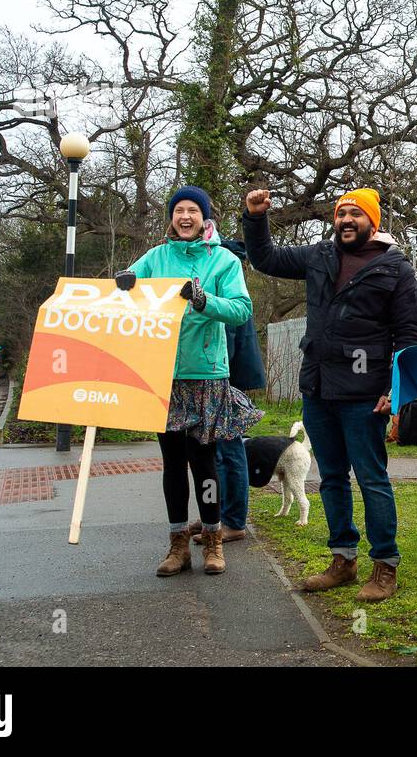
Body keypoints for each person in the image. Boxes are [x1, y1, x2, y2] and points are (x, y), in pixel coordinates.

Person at [242, 185, 417, 602]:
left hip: (365, 394)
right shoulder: (320, 256)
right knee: (332, 479)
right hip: (319, 388)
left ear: (372, 222)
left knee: (372, 479)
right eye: (341, 214)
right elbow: (266, 257)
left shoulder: (395, 269)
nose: (346, 220)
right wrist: (255, 218)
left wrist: (393, 389)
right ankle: (343, 559)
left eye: (355, 215)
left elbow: (409, 335)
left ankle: (384, 566)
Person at [115, 186, 264, 577]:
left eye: (192, 211)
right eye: (179, 210)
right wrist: (123, 285)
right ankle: (177, 543)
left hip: (206, 375)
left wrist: (204, 301)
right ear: (171, 217)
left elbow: (240, 309)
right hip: (162, 374)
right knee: (171, 464)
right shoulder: (156, 256)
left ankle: (213, 541)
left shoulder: (224, 261)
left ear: (205, 218)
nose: (185, 217)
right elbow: (127, 296)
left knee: (204, 463)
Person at [187, 238, 266, 546]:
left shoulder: (222, 262)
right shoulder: (215, 260)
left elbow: (230, 327)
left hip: (224, 376)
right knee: (216, 453)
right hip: (220, 375)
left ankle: (232, 520)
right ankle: (216, 515)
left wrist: (221, 379)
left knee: (228, 452)